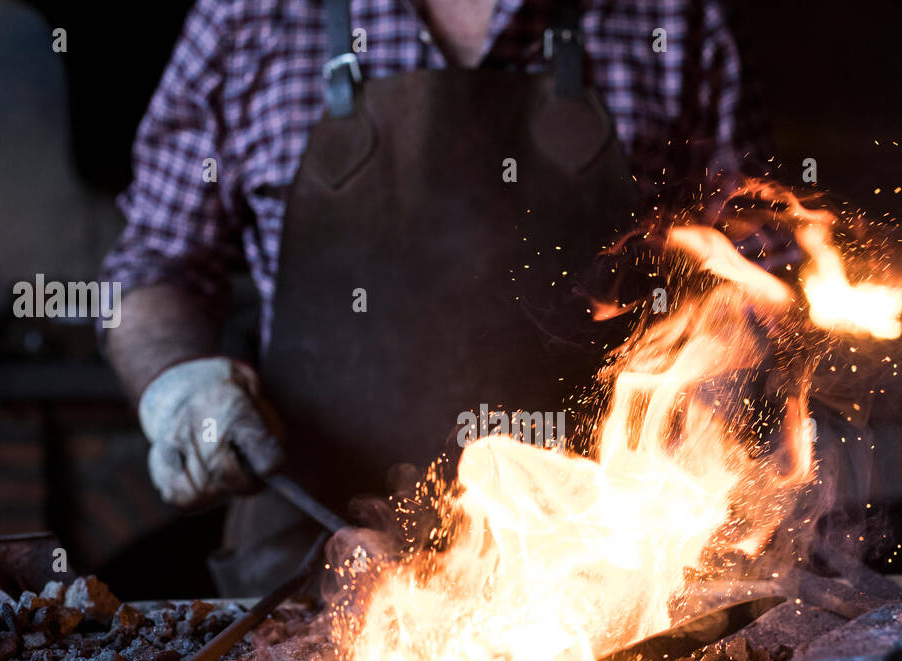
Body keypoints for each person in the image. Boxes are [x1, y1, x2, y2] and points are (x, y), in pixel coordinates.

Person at [100, 0, 769, 595]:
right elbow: (157, 265)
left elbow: (753, 271)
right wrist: (176, 386)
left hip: (588, 585)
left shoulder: (674, 19)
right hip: (306, 563)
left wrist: (703, 460)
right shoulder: (248, 17)